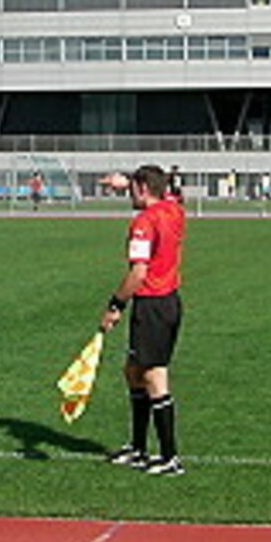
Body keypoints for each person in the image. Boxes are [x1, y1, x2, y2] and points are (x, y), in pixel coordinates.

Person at [98, 164, 187, 476]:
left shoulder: (144, 222)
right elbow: (168, 189)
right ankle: (138, 448)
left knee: (153, 376)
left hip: (152, 305)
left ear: (143, 189)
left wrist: (115, 305)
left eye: (133, 190)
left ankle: (169, 456)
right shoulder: (174, 210)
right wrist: (128, 181)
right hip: (169, 303)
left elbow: (138, 273)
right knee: (133, 371)